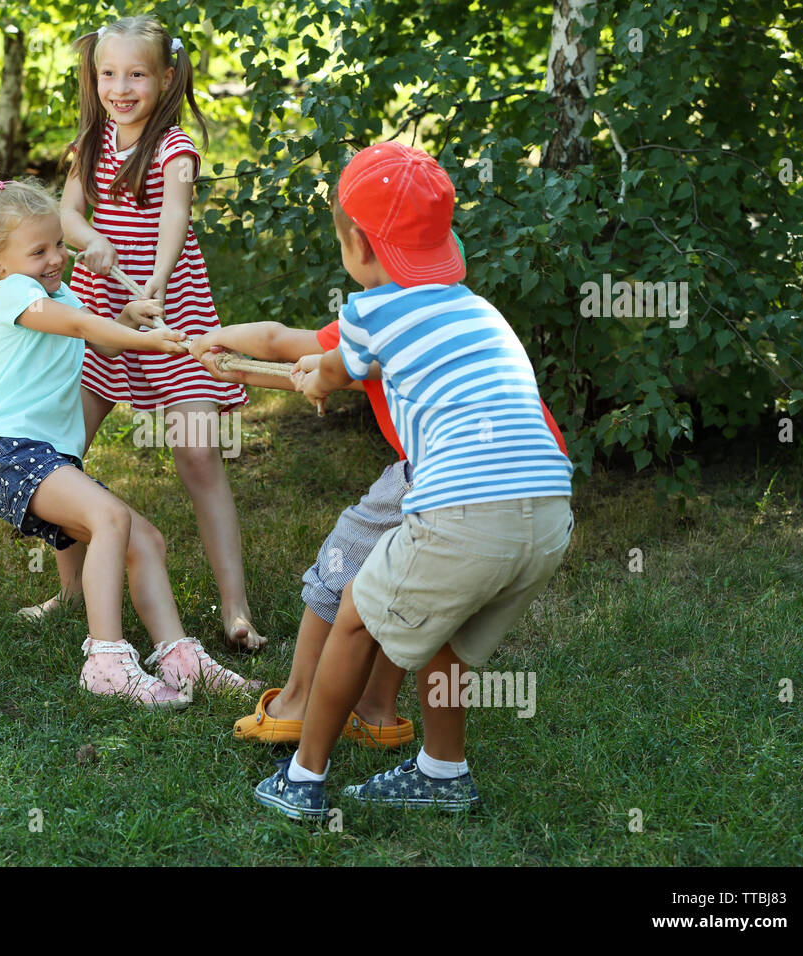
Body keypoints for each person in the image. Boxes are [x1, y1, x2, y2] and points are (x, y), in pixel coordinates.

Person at [253, 143, 575, 818]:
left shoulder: (372, 311)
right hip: (549, 508)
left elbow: (330, 369)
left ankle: (303, 780)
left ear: (357, 244)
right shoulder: (480, 310)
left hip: (464, 509)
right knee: (445, 631)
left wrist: (315, 379)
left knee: (354, 616)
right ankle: (442, 771)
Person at [189, 307, 569, 749]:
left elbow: (277, 341)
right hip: (538, 482)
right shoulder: (463, 319)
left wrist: (211, 338)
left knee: (343, 558)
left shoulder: (382, 319)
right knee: (409, 586)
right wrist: (238, 370)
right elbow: (328, 374)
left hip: (447, 474)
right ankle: (375, 712)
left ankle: (295, 706)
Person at [0, 169, 259, 707]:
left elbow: (102, 341)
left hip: (45, 457)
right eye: (38, 251)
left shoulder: (57, 292)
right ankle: (107, 662)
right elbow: (79, 328)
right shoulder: (15, 293)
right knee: (110, 518)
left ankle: (181, 659)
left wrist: (127, 319)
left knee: (147, 541)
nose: (55, 258)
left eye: (57, 245)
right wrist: (149, 340)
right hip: (7, 452)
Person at [37, 14, 266, 651]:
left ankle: (236, 609)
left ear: (166, 77)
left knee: (198, 455)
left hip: (171, 313)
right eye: (108, 74)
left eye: (136, 74)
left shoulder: (174, 149)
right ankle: (69, 589)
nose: (121, 88)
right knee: (62, 451)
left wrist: (156, 285)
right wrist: (91, 240)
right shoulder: (90, 142)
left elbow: (175, 217)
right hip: (103, 313)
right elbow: (68, 212)